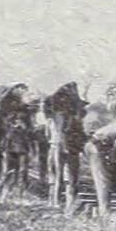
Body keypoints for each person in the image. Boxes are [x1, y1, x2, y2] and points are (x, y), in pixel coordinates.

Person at [44, 82, 86, 210]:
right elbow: (77, 134)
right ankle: (67, 204)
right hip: (66, 147)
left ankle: (56, 202)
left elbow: (47, 134)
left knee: (57, 176)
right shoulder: (70, 119)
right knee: (69, 177)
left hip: (56, 146)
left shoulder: (53, 118)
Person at [0, 84, 35, 197]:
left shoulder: (26, 112)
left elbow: (30, 128)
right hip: (10, 143)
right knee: (8, 170)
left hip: (22, 144)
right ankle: (1, 192)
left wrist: (25, 127)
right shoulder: (8, 108)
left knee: (22, 171)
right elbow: (2, 112)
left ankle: (19, 194)